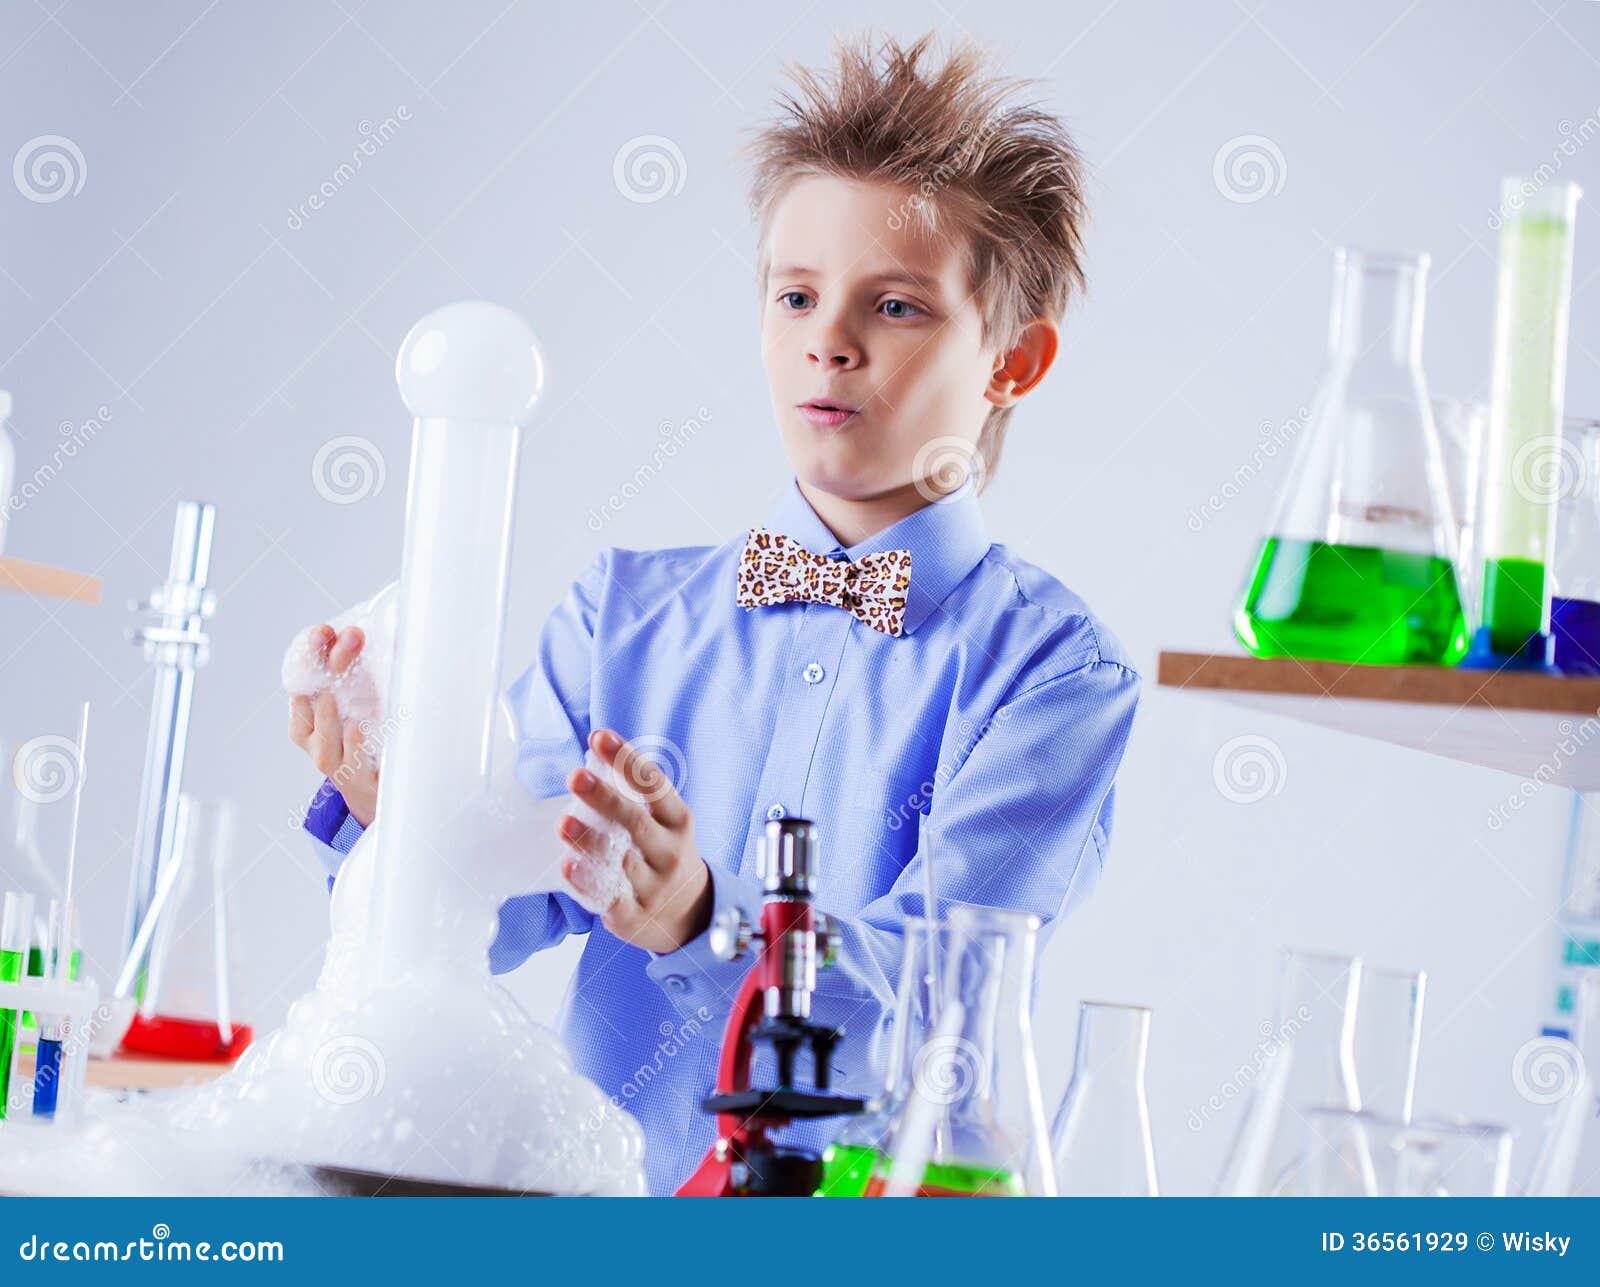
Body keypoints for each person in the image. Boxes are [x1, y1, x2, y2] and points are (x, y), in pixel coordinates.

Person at [291, 29, 1140, 1196]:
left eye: (894, 307)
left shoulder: (1053, 676)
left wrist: (705, 917)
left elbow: (940, 1014)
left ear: (1013, 361)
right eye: (794, 295)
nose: (827, 341)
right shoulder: (621, 613)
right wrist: (405, 806)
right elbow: (483, 923)